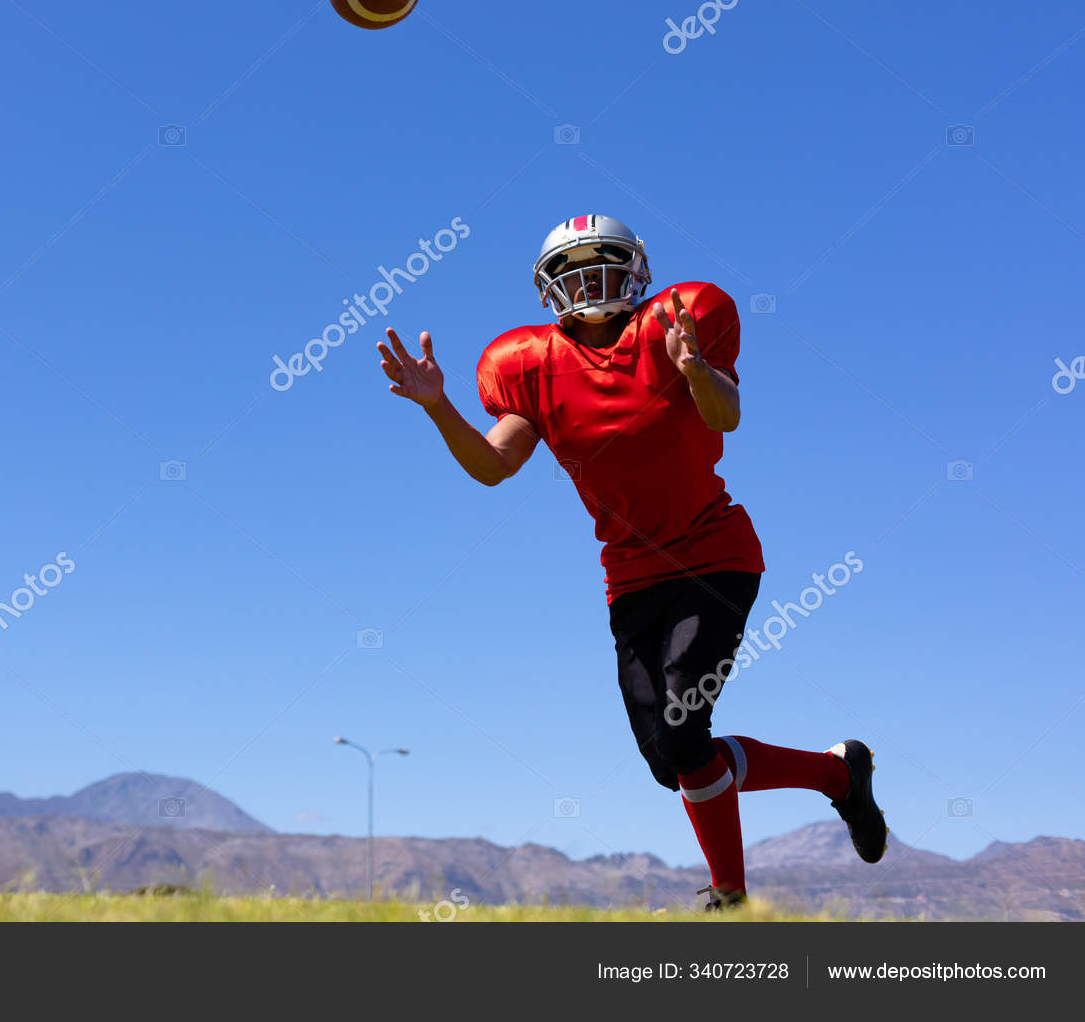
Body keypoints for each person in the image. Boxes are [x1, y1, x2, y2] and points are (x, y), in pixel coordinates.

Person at [376, 213, 887, 910]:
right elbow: (494, 465)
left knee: (683, 732)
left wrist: (695, 368)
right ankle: (838, 775)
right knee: (673, 761)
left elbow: (724, 414)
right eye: (572, 270)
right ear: (547, 289)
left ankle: (729, 898)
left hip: (714, 551)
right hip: (629, 575)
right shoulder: (526, 364)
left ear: (635, 269)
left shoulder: (677, 322)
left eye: (601, 264)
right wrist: (439, 409)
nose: (588, 281)